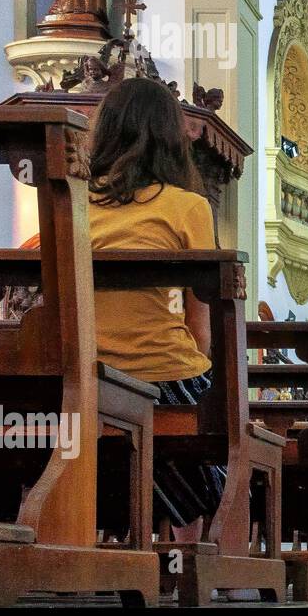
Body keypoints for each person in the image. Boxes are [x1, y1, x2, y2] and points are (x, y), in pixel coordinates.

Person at [87, 77, 223, 543]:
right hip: (162, 379)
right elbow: (201, 328)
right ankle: (202, 560)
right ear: (170, 137)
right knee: (226, 422)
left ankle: (113, 531)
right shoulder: (189, 207)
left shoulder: (69, 202)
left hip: (84, 381)